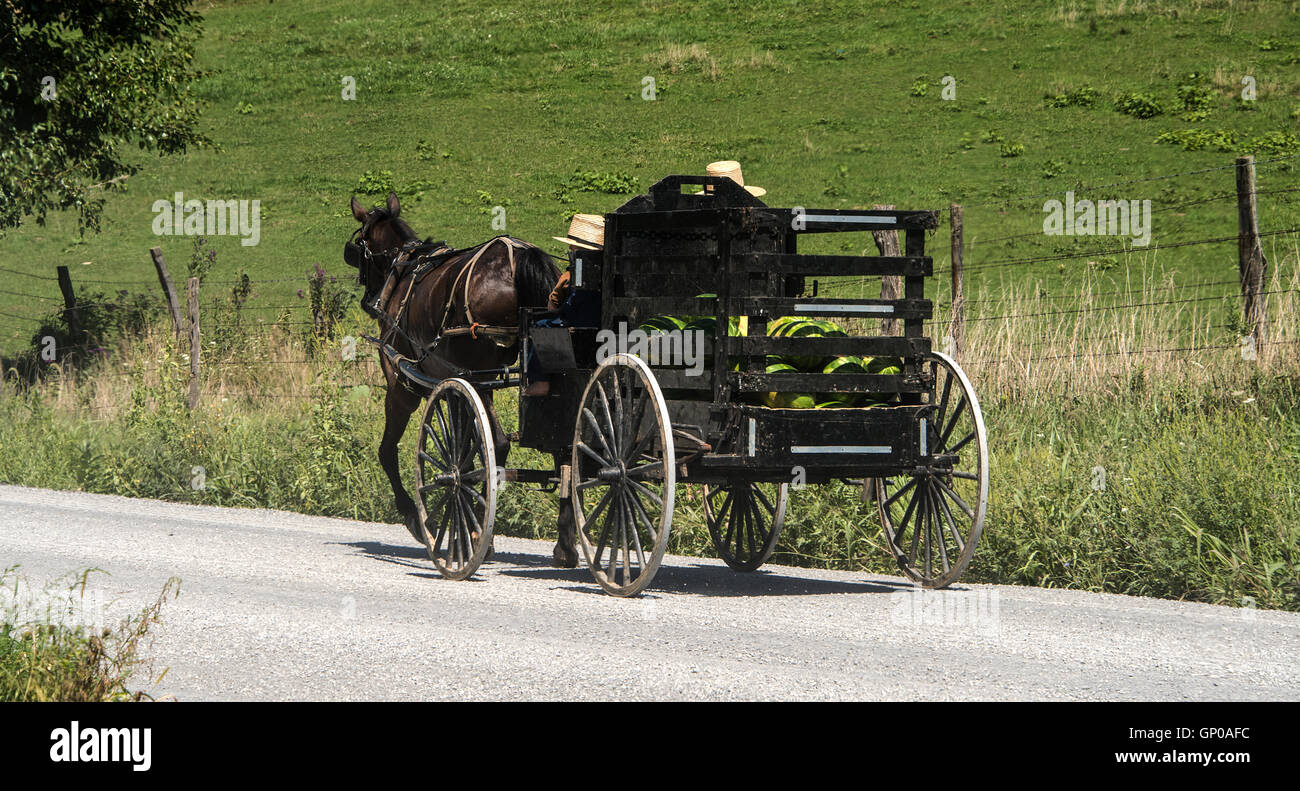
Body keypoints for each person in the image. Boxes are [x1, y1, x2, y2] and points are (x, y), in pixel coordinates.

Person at [522, 214, 604, 397]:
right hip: (607, 331)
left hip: (581, 330)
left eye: (572, 245)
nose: (570, 248)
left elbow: (553, 306)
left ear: (577, 247)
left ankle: (541, 381)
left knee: (541, 327)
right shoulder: (609, 266)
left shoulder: (579, 268)